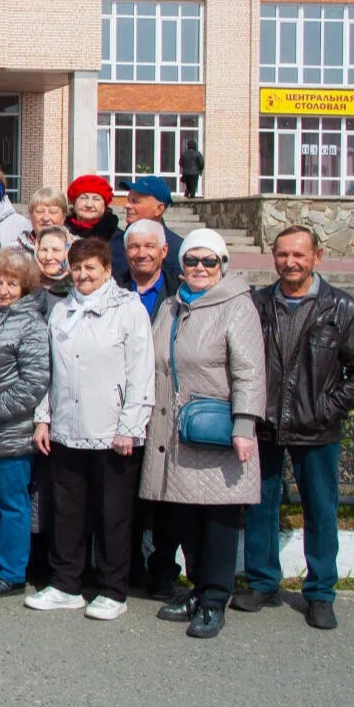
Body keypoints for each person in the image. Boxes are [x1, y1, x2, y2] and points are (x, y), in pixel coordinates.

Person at [242, 226, 354, 630]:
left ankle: (320, 592)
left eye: (299, 255)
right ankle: (262, 581)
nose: (291, 262)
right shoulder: (258, 303)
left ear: (317, 256)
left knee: (320, 512)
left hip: (316, 429)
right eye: (283, 254)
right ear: (273, 257)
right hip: (265, 425)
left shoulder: (341, 308)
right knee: (259, 508)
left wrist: (327, 408)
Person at [142, 229, 266, 638]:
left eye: (208, 261)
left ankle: (215, 599)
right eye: (191, 260)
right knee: (188, 517)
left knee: (219, 518)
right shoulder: (173, 307)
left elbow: (249, 370)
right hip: (175, 431)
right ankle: (197, 590)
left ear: (222, 265)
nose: (198, 268)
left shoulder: (237, 306)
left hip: (215, 430)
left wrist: (245, 426)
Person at [26, 236, 152, 621]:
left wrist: (131, 425)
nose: (82, 275)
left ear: (107, 270)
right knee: (66, 512)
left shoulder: (128, 310)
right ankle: (67, 584)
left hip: (112, 431)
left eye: (90, 268)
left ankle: (113, 589)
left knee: (112, 513)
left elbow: (141, 371)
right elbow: (50, 371)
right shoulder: (62, 311)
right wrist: (43, 417)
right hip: (67, 428)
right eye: (77, 268)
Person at [0, 249, 51, 599]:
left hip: (9, 429)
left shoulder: (30, 323)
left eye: (12, 283)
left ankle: (12, 573)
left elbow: (34, 380)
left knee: (12, 503)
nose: (3, 289)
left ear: (25, 286)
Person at [110, 176, 183, 286]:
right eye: (128, 200)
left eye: (135, 201)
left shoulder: (177, 249)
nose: (127, 206)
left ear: (158, 209)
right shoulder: (115, 241)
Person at [64, 174, 119, 242]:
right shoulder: (61, 232)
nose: (89, 205)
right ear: (74, 203)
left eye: (96, 199)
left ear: (104, 206)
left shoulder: (116, 238)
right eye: (83, 198)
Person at [34, 226, 74, 316]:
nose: (48, 257)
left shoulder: (79, 288)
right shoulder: (27, 286)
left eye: (56, 250)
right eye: (44, 250)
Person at [16, 187, 69, 255]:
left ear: (64, 216)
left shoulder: (76, 247)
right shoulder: (14, 251)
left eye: (53, 212)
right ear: (30, 215)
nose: (45, 218)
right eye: (39, 211)